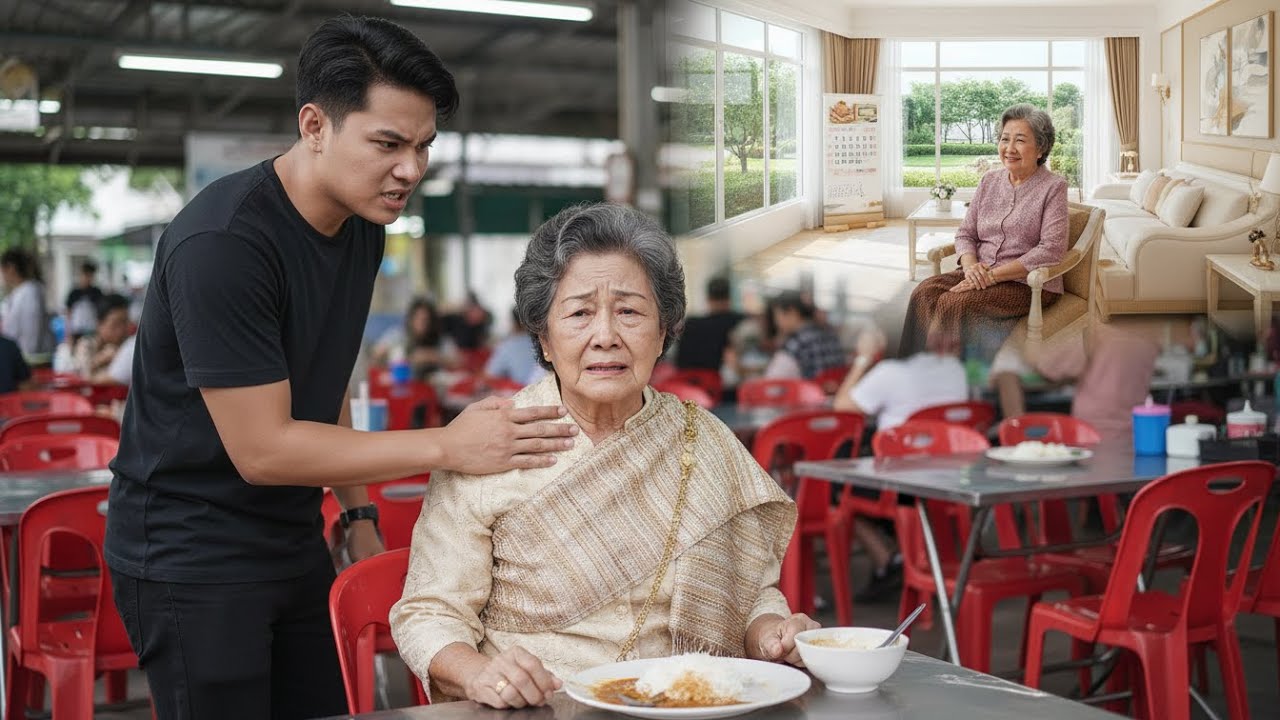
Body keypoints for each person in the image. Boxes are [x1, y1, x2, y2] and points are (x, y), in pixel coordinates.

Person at [104, 17, 576, 720]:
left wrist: (356, 513)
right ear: (315, 124)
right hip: (191, 552)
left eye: (422, 147)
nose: (410, 169)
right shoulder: (224, 243)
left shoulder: (361, 228)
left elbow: (325, 387)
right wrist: (447, 444)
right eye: (387, 143)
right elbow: (262, 449)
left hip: (291, 536)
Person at [391, 203, 817, 708]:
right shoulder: (492, 441)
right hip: (539, 709)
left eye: (630, 311)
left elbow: (750, 596)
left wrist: (772, 632)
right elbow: (428, 613)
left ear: (663, 332)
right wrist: (482, 674)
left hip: (683, 706)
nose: (606, 336)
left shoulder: (703, 440)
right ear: (544, 338)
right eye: (578, 313)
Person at [899, 104, 1068, 361]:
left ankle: (949, 381)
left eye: (1020, 140)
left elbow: (1051, 250)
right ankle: (912, 368)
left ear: (1041, 148)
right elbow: (966, 233)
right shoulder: (989, 180)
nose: (1009, 148)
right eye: (1004, 139)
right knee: (923, 292)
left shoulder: (1053, 187)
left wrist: (991, 277)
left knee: (955, 303)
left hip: (1026, 283)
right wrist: (971, 267)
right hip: (979, 271)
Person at [832, 325, 968, 600]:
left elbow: (842, 406)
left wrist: (863, 358)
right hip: (949, 479)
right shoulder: (955, 368)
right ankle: (903, 554)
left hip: (901, 486)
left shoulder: (889, 373)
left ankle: (887, 560)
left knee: (836, 489)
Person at [763, 291, 846, 380]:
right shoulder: (831, 336)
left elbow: (772, 381)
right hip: (836, 392)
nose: (776, 322)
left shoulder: (795, 343)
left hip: (807, 392)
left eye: (777, 315)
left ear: (792, 312)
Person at [373, 296, 458, 378]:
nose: (422, 324)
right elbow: (376, 355)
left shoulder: (441, 338)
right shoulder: (398, 335)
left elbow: (457, 361)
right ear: (410, 319)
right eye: (418, 319)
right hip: (402, 382)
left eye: (426, 319)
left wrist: (431, 356)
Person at [674, 275, 744, 372]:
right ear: (729, 298)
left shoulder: (690, 323)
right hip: (713, 382)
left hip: (683, 380)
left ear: (709, 299)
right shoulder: (737, 321)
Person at [0, 248, 53, 356]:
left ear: (11, 268)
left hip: (31, 359)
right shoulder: (16, 294)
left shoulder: (30, 292)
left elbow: (31, 335)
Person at [73, 293, 131, 382]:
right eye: (116, 324)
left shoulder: (128, 345)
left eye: (125, 323)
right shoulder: (86, 345)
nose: (122, 330)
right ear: (99, 324)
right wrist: (100, 360)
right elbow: (79, 377)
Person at [484, 309, 544, 385]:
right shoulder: (543, 341)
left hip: (521, 391)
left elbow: (489, 375)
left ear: (514, 324)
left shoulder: (508, 346)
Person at [65, 260, 104, 339]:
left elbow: (101, 313)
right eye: (86, 275)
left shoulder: (97, 292)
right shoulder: (74, 293)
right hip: (76, 331)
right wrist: (68, 335)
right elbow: (68, 314)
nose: (88, 279)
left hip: (92, 330)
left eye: (90, 276)